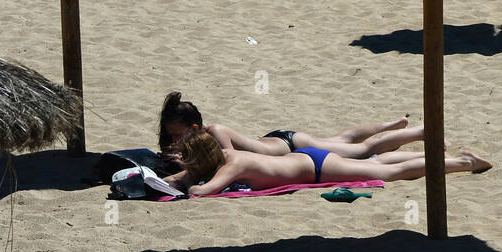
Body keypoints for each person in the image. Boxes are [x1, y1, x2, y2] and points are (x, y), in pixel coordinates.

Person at [168, 127, 491, 196]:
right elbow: (194, 177)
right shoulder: (225, 157)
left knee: (391, 172)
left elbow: (203, 190)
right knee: (377, 161)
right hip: (307, 161)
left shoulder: (232, 165)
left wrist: (185, 184)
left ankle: (464, 163)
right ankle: (437, 155)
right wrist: (173, 178)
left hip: (317, 169)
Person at [157, 91, 423, 161]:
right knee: (341, 140)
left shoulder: (215, 131)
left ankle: (419, 133)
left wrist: (185, 164)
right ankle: (391, 125)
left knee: (362, 151)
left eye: (178, 135)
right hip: (277, 141)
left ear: (194, 128)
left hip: (291, 145)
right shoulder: (193, 142)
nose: (174, 141)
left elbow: (230, 159)